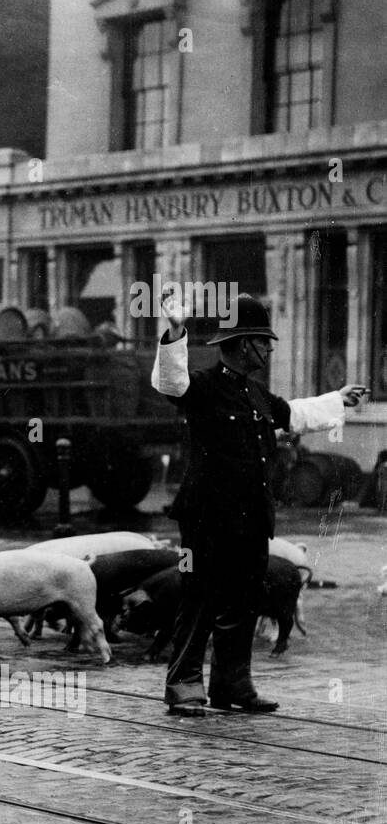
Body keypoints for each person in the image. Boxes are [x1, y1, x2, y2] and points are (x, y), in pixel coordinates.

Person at [152, 292, 368, 716]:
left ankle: (233, 684)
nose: (270, 348)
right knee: (199, 597)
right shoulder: (204, 386)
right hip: (206, 517)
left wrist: (338, 399)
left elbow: (292, 414)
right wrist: (176, 332)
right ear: (243, 344)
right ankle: (184, 684)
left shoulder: (256, 393)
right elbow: (171, 383)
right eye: (264, 341)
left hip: (251, 518)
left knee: (244, 600)